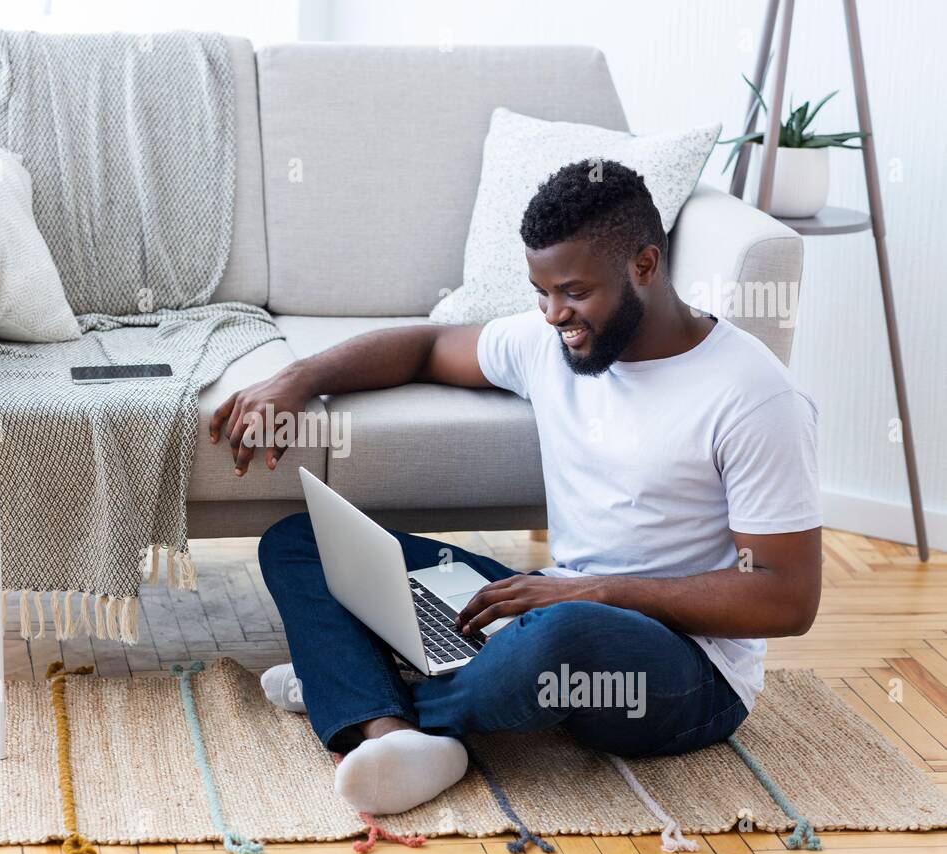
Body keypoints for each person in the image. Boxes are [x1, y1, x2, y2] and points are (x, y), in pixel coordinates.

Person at [209, 159, 822, 815]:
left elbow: (784, 599)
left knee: (562, 640)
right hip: (551, 606)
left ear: (644, 266)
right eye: (541, 292)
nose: (556, 314)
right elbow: (427, 346)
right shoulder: (550, 340)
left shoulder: (753, 396)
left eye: (575, 292)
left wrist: (587, 591)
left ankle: (357, 692)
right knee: (301, 542)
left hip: (684, 671)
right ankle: (389, 728)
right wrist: (295, 379)